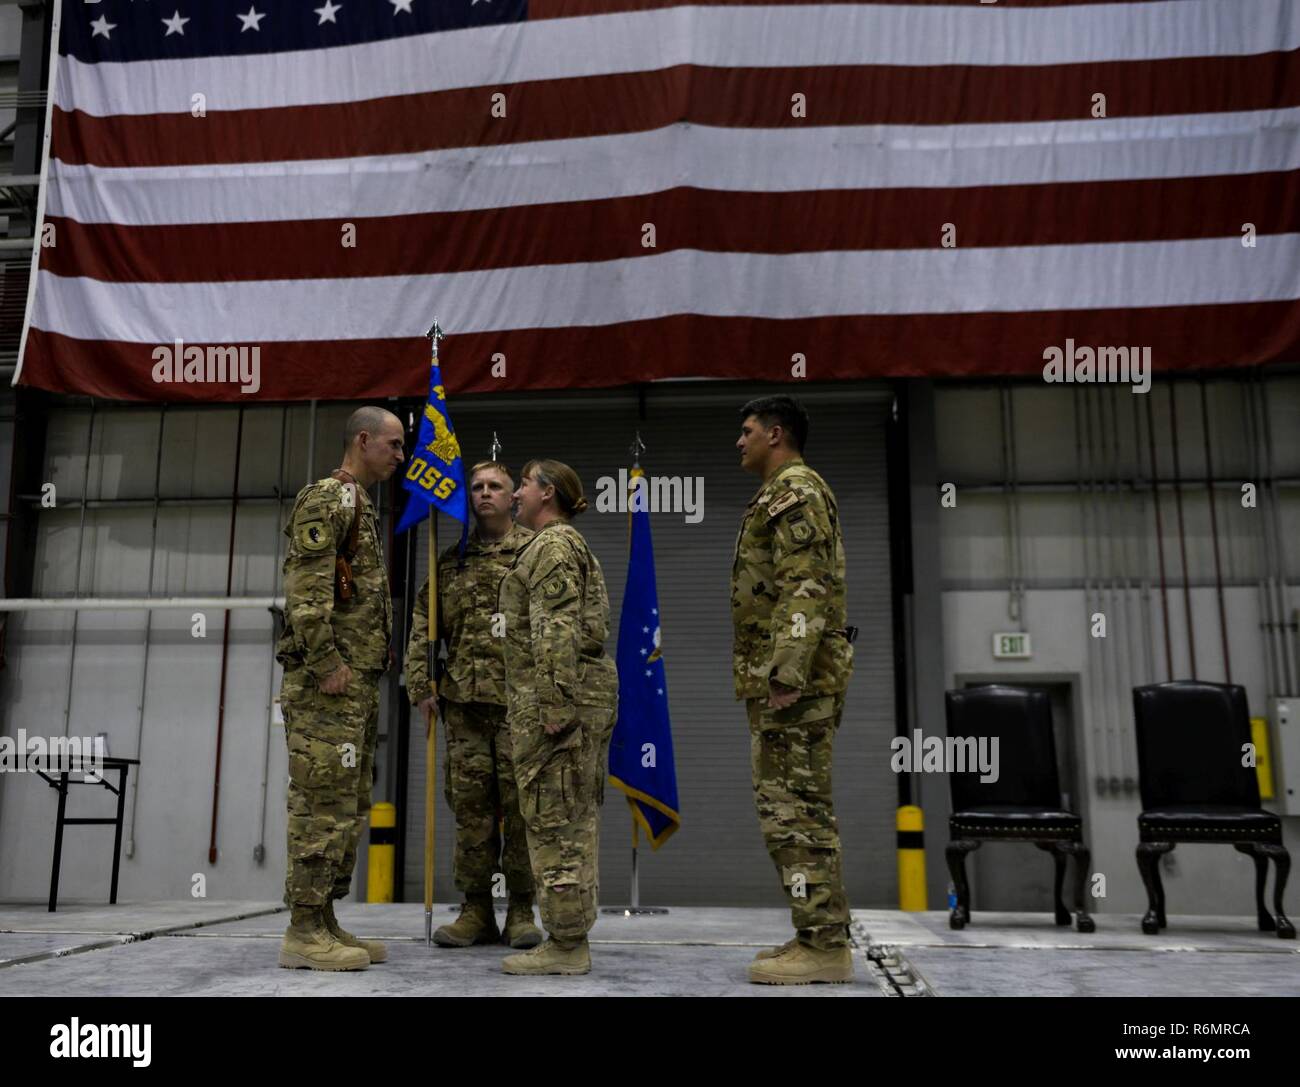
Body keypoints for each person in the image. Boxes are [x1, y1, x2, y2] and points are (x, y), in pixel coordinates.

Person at [275, 406, 404, 971]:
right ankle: (302, 930)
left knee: (348, 805)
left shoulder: (362, 506)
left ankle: (324, 917)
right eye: (394, 445)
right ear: (363, 440)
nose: (401, 457)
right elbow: (306, 594)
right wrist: (326, 661)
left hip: (354, 686)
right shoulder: (326, 499)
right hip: (326, 685)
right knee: (320, 803)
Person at [732, 395, 855, 984]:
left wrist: (786, 670)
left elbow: (804, 584)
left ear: (776, 435)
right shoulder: (781, 492)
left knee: (796, 811)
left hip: (795, 680)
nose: (740, 441)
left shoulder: (795, 491)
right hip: (789, 676)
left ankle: (826, 945)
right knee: (789, 808)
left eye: (748, 431)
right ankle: (815, 932)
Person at [405, 460, 543, 949]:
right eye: (478, 487)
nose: (485, 494)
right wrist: (420, 684)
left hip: (519, 706)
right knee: (471, 813)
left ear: (513, 498)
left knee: (522, 809)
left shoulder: (535, 553)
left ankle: (523, 909)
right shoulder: (450, 559)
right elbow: (426, 621)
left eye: (496, 487)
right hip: (463, 705)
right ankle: (476, 910)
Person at [497, 459, 618, 975]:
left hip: (558, 706)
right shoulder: (554, 545)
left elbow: (556, 628)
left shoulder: (551, 546)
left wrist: (553, 705)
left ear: (546, 493)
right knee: (566, 814)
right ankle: (568, 937)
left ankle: (566, 944)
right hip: (564, 699)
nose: (515, 493)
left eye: (522, 484)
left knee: (557, 819)